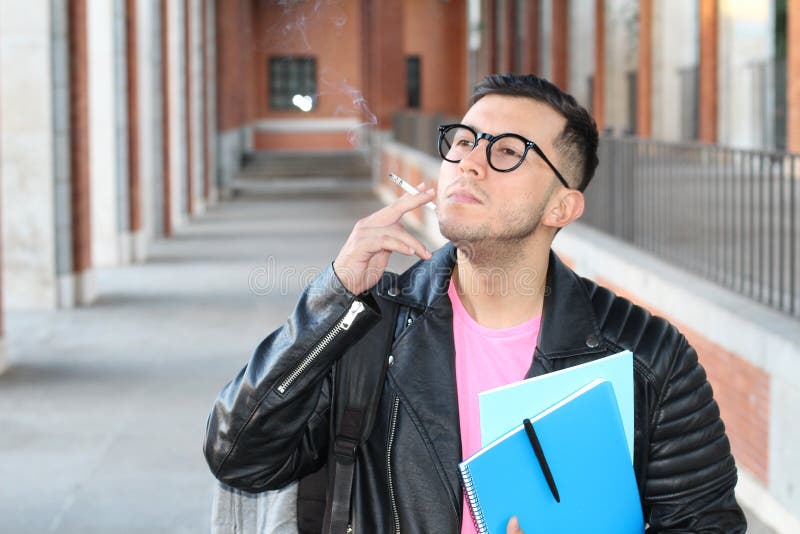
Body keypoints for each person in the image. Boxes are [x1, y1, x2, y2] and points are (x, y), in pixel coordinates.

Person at [204, 73, 746, 533]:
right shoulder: (369, 326)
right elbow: (239, 458)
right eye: (464, 141)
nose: (471, 163)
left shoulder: (648, 357)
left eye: (508, 151)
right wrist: (335, 295)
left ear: (562, 205)